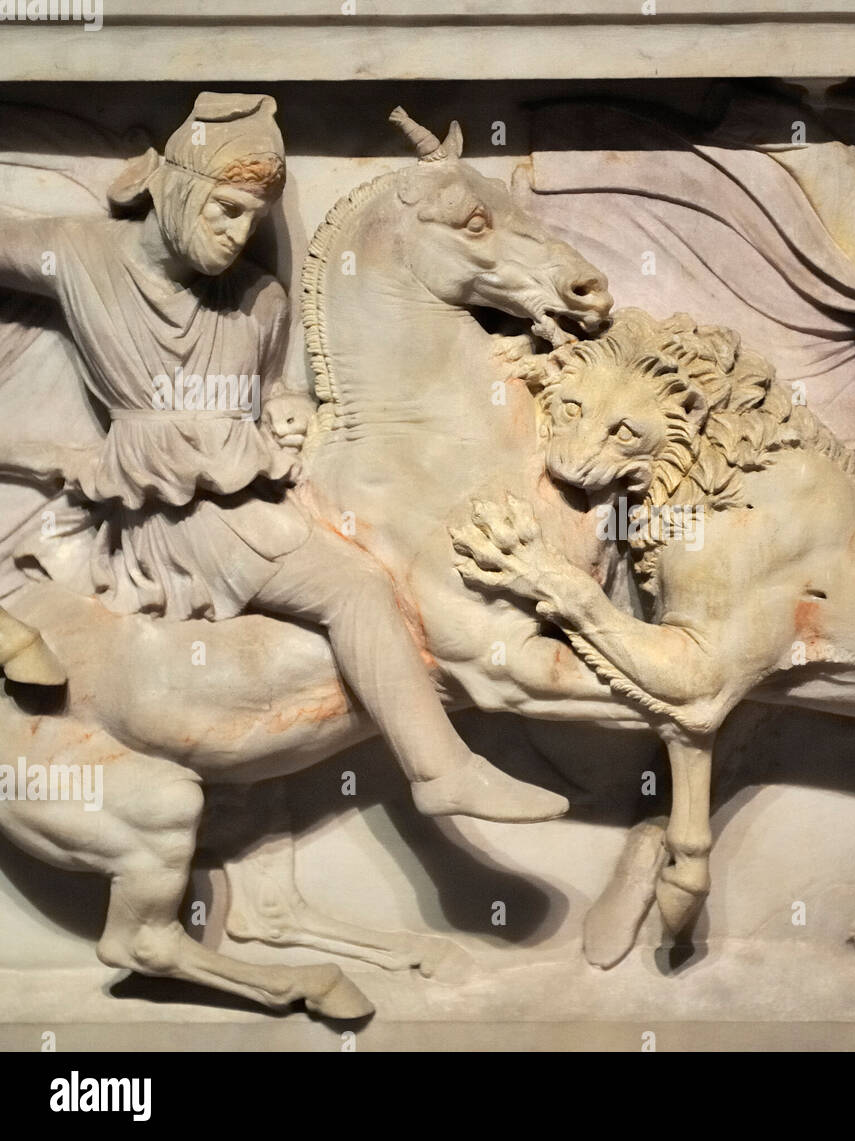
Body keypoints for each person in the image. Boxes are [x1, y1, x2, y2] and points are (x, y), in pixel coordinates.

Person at [0, 92, 566, 822]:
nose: (237, 234)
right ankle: (441, 769)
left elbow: (271, 392)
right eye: (224, 210)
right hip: (185, 506)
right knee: (357, 589)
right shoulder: (81, 255)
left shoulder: (260, 300)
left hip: (255, 487)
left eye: (252, 219)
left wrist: (288, 411)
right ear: (177, 187)